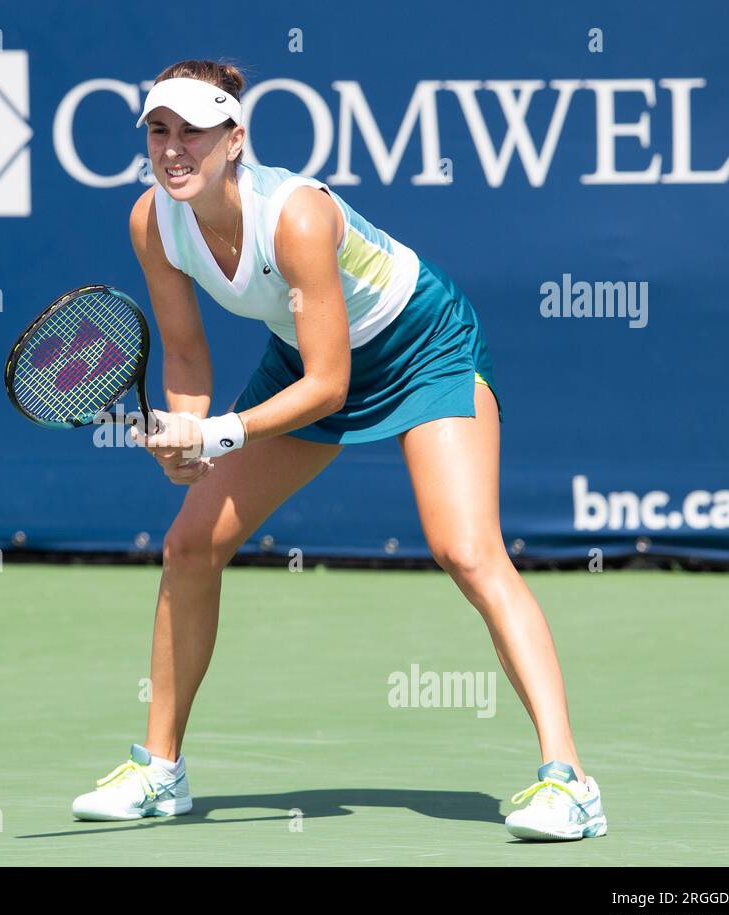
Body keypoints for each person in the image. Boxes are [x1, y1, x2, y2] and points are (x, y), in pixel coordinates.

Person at [70, 59, 606, 842]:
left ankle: (570, 781)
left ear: (235, 137)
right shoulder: (153, 221)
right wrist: (183, 435)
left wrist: (222, 430)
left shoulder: (296, 216)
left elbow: (329, 386)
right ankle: (159, 770)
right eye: (159, 130)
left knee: (465, 549)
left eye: (194, 130)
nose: (174, 148)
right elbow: (184, 356)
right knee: (190, 545)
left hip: (422, 349)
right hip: (305, 354)